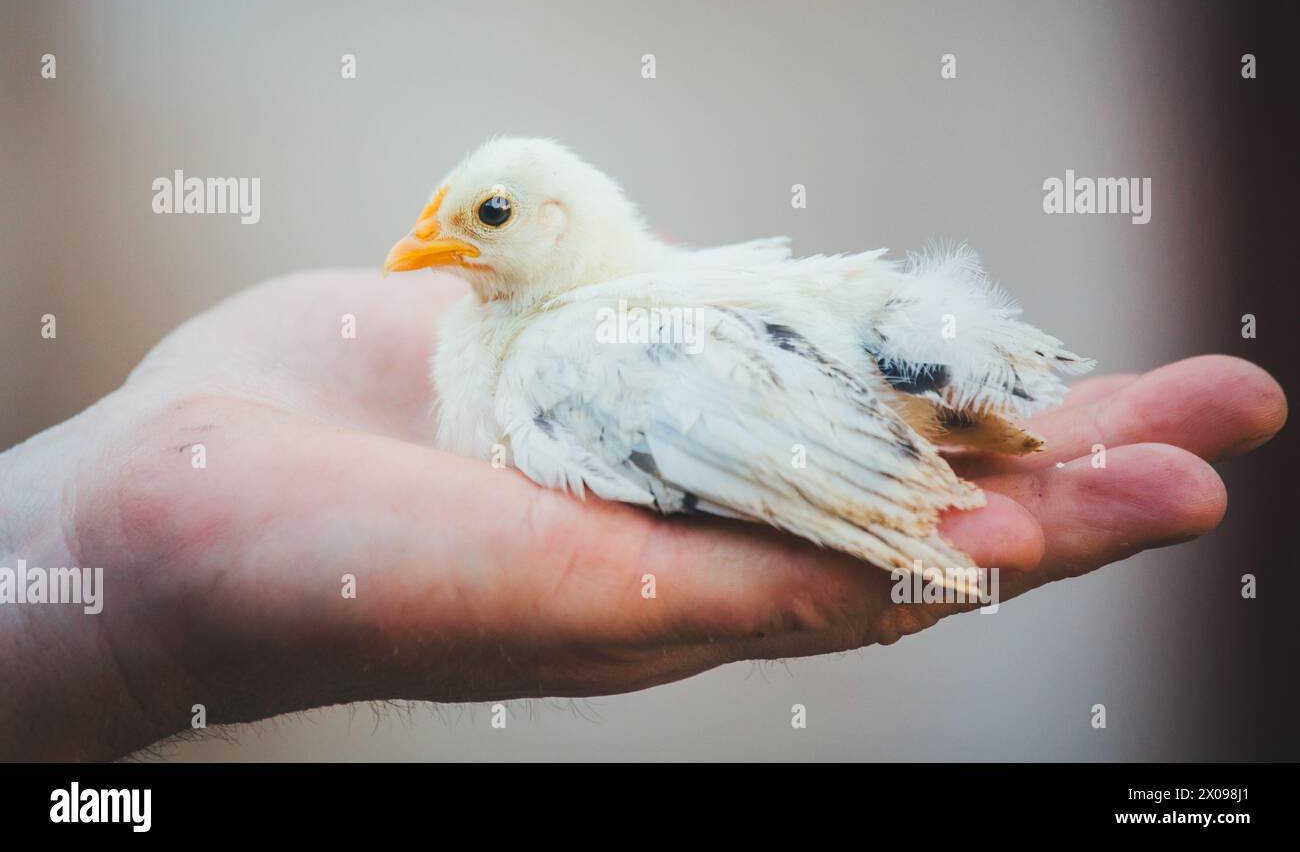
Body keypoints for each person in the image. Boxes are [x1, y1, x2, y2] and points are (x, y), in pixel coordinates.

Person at [0, 270, 1286, 761]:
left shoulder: (587, 345)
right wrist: (85, 561)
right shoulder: (566, 334)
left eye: (485, 222)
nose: (440, 247)